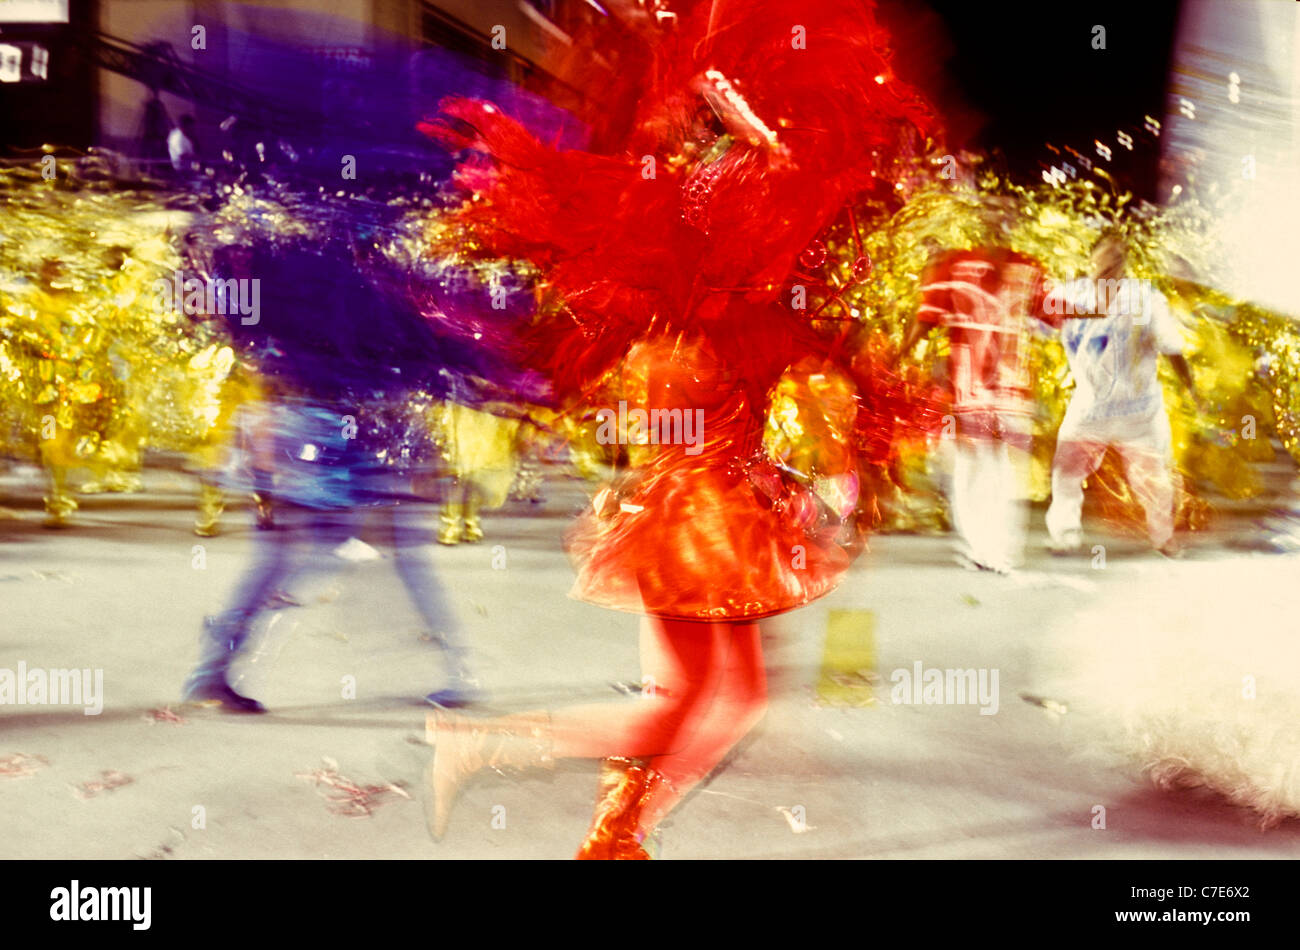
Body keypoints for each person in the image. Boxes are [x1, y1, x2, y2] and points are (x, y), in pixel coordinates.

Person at [417, 0, 935, 857]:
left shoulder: (708, 313)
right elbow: (783, 183)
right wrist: (736, 109)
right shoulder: (692, 323)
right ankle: (538, 785)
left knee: (734, 701)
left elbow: (794, 211)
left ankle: (612, 827)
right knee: (688, 700)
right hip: (695, 527)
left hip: (715, 514)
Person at [1039, 231, 1199, 557]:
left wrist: (1192, 387)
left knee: (1155, 479)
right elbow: (1037, 318)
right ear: (1091, 259)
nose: (1111, 262)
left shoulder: (1146, 298)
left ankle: (1163, 538)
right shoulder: (1069, 295)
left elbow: (1172, 349)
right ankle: (1064, 537)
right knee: (1065, 473)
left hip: (1139, 412)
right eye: (1105, 256)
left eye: (1118, 256)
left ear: (1126, 261)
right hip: (1089, 409)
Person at [895, 245, 1043, 573]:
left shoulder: (1028, 268)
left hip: (1005, 393)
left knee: (995, 471)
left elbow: (1057, 313)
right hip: (974, 393)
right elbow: (927, 320)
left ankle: (995, 549)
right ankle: (984, 548)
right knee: (977, 468)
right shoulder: (955, 265)